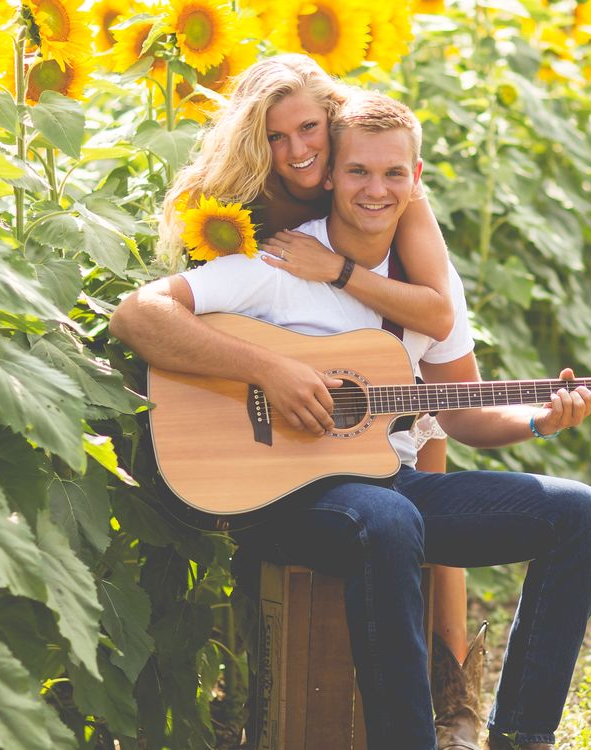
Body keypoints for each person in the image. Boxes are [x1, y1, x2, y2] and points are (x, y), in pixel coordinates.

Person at [111, 89, 591, 750]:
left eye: (392, 174)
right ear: (331, 175)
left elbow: (462, 413)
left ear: (416, 180)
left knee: (582, 514)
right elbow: (136, 315)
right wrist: (270, 371)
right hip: (285, 500)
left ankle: (522, 735)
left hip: (389, 489)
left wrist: (542, 421)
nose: (375, 190)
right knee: (388, 518)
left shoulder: (427, 287)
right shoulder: (282, 261)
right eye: (357, 172)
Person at [156, 53, 485, 747]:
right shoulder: (239, 209)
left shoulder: (388, 188)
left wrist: (338, 268)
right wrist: (270, 372)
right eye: (276, 137)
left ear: (332, 130)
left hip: (388, 372)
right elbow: (187, 313)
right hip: (269, 404)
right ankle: (257, 682)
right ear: (254, 143)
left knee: (425, 456)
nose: (298, 150)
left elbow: (434, 311)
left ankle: (454, 685)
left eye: (309, 129)